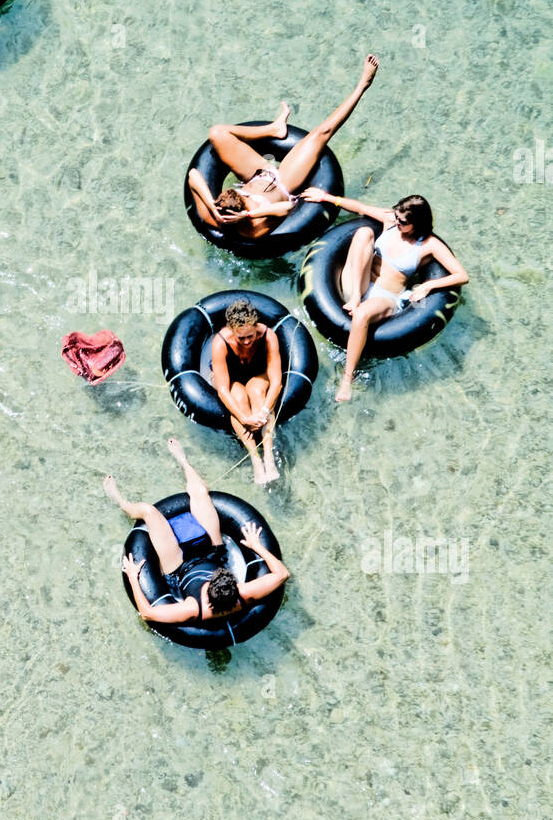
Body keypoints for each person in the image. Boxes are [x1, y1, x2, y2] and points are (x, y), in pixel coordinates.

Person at [300, 188, 469, 402]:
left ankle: (347, 378)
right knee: (364, 233)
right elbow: (360, 207)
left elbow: (462, 275)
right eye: (396, 216)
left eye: (402, 221)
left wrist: (429, 285)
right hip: (358, 284)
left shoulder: (428, 245)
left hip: (386, 297)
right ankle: (355, 298)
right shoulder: (390, 222)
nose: (396, 222)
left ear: (416, 223)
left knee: (362, 315)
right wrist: (325, 197)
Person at [187, 55, 379, 242]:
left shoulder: (212, 214)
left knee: (217, 133)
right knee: (323, 132)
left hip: (256, 174)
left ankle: (274, 129)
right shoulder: (252, 229)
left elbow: (193, 175)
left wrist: (212, 205)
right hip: (283, 182)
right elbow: (286, 208)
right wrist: (248, 214)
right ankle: (363, 85)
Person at [104, 438, 290, 628]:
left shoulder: (193, 609)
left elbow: (147, 614)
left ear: (208, 597)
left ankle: (122, 503)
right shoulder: (243, 593)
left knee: (148, 511)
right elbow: (283, 574)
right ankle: (183, 461)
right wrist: (257, 546)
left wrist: (133, 577)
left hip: (179, 568)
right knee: (200, 491)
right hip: (214, 555)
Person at [211, 298, 282, 484]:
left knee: (257, 391)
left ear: (255, 326)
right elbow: (223, 390)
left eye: (250, 336)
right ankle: (255, 458)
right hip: (231, 377)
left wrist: (264, 412)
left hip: (257, 372)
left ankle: (268, 456)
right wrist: (244, 419)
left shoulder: (268, 336)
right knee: (238, 397)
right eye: (241, 338)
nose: (247, 341)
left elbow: (276, 382)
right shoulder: (220, 342)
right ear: (232, 330)